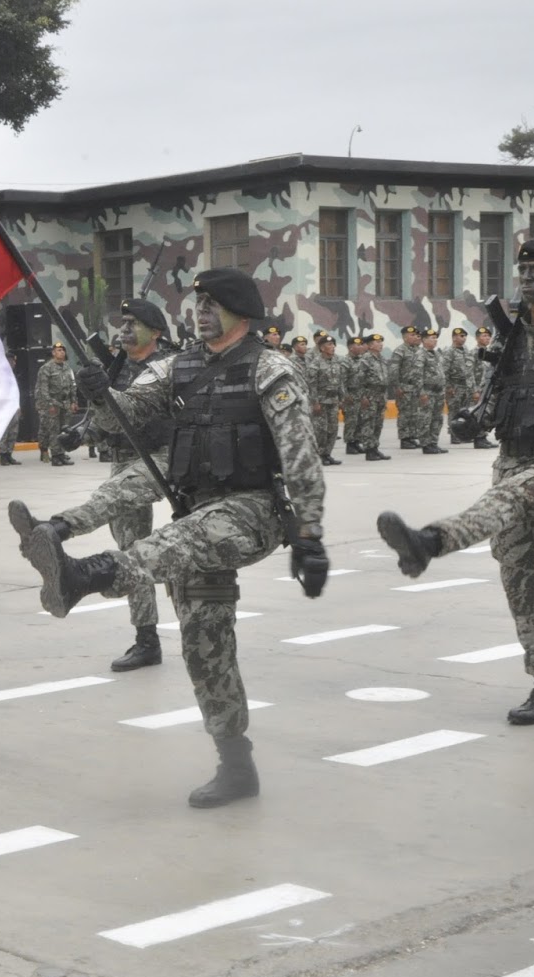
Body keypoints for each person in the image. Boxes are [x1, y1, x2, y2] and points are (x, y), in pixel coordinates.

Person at [22, 269, 327, 808]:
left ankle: (82, 575)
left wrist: (310, 534)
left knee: (172, 544)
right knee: (204, 642)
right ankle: (236, 764)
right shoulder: (180, 367)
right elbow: (127, 416)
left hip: (251, 512)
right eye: (197, 303)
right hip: (197, 508)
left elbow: (302, 456)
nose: (200, 311)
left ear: (240, 312)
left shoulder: (271, 369)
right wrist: (100, 394)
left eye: (212, 303)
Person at [378, 240, 534, 725]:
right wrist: (477, 419)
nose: (527, 278)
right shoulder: (513, 337)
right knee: (517, 573)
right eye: (523, 270)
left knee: (506, 501)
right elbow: (502, 395)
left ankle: (431, 541)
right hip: (514, 456)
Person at [11, 299, 175, 672]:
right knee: (132, 552)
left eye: (134, 323)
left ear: (157, 332)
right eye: (124, 322)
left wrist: (104, 397)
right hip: (123, 455)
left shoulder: (169, 367)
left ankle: (54, 529)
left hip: (159, 457)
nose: (125, 329)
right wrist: (80, 433)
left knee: (110, 498)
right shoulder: (117, 368)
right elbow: (109, 419)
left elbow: (133, 409)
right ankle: (147, 640)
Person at [34, 342, 77, 466]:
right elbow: (43, 389)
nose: (61, 352)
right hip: (53, 403)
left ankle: (62, 454)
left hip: (65, 403)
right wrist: (49, 404)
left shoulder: (68, 368)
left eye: (63, 350)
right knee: (54, 430)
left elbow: (73, 385)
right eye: (58, 350)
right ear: (53, 353)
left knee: (64, 429)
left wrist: (74, 401)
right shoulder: (46, 368)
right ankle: (56, 456)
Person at [309, 333, 347, 465]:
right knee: (321, 430)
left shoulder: (337, 361)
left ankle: (327, 454)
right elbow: (311, 385)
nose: (333, 347)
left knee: (333, 429)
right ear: (322, 348)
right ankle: (319, 455)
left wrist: (342, 399)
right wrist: (315, 402)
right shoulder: (315, 364)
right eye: (329, 345)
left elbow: (340, 382)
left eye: (333, 344)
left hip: (334, 401)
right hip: (321, 401)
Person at [389, 324, 425, 450]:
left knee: (415, 414)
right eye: (412, 335)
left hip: (417, 388)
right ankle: (404, 439)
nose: (416, 337)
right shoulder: (400, 351)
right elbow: (394, 370)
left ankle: (412, 436)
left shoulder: (420, 351)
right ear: (405, 338)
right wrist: (397, 387)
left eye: (416, 335)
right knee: (405, 414)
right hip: (405, 387)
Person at [359, 333, 392, 460]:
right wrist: (363, 397)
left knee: (378, 423)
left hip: (381, 394)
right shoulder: (365, 359)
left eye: (381, 342)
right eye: (377, 342)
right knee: (369, 423)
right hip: (370, 395)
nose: (380, 344)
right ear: (370, 345)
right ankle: (369, 450)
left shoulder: (382, 359)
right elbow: (359, 380)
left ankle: (375, 447)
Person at [444, 327, 478, 446]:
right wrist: (448, 387)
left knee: (466, 412)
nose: (463, 338)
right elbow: (445, 371)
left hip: (466, 386)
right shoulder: (449, 352)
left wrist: (473, 388)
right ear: (454, 337)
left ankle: (464, 434)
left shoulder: (466, 351)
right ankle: (454, 435)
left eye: (464, 336)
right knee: (454, 411)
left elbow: (470, 371)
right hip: (455, 386)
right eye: (461, 336)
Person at [419, 328, 449, 454]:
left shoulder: (437, 354)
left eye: (436, 338)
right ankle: (426, 444)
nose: (435, 340)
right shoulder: (420, 355)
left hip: (438, 392)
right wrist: (421, 392)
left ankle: (433, 442)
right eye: (432, 338)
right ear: (424, 340)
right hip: (428, 391)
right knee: (426, 418)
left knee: (437, 419)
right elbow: (417, 375)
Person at [473, 327, 499, 449]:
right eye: (483, 336)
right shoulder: (474, 353)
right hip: (480, 389)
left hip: (488, 388)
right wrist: (475, 390)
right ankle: (478, 438)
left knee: (487, 413)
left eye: (488, 336)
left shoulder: (490, 353)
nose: (487, 338)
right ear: (477, 338)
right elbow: (469, 372)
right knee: (480, 413)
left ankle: (482, 436)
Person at [0, 351, 22, 466]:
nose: (14, 363)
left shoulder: (12, 375)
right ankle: (3, 455)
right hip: (2, 408)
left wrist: (18, 406)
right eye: (12, 361)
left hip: (13, 407)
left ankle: (9, 454)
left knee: (13, 431)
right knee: (4, 432)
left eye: (14, 361)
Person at [342, 336, 367, 453]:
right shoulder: (345, 361)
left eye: (361, 345)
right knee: (351, 420)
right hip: (351, 394)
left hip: (361, 394)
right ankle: (350, 443)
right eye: (357, 345)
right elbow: (342, 381)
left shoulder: (363, 361)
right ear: (350, 347)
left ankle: (357, 441)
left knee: (360, 420)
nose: (360, 347)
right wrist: (346, 396)